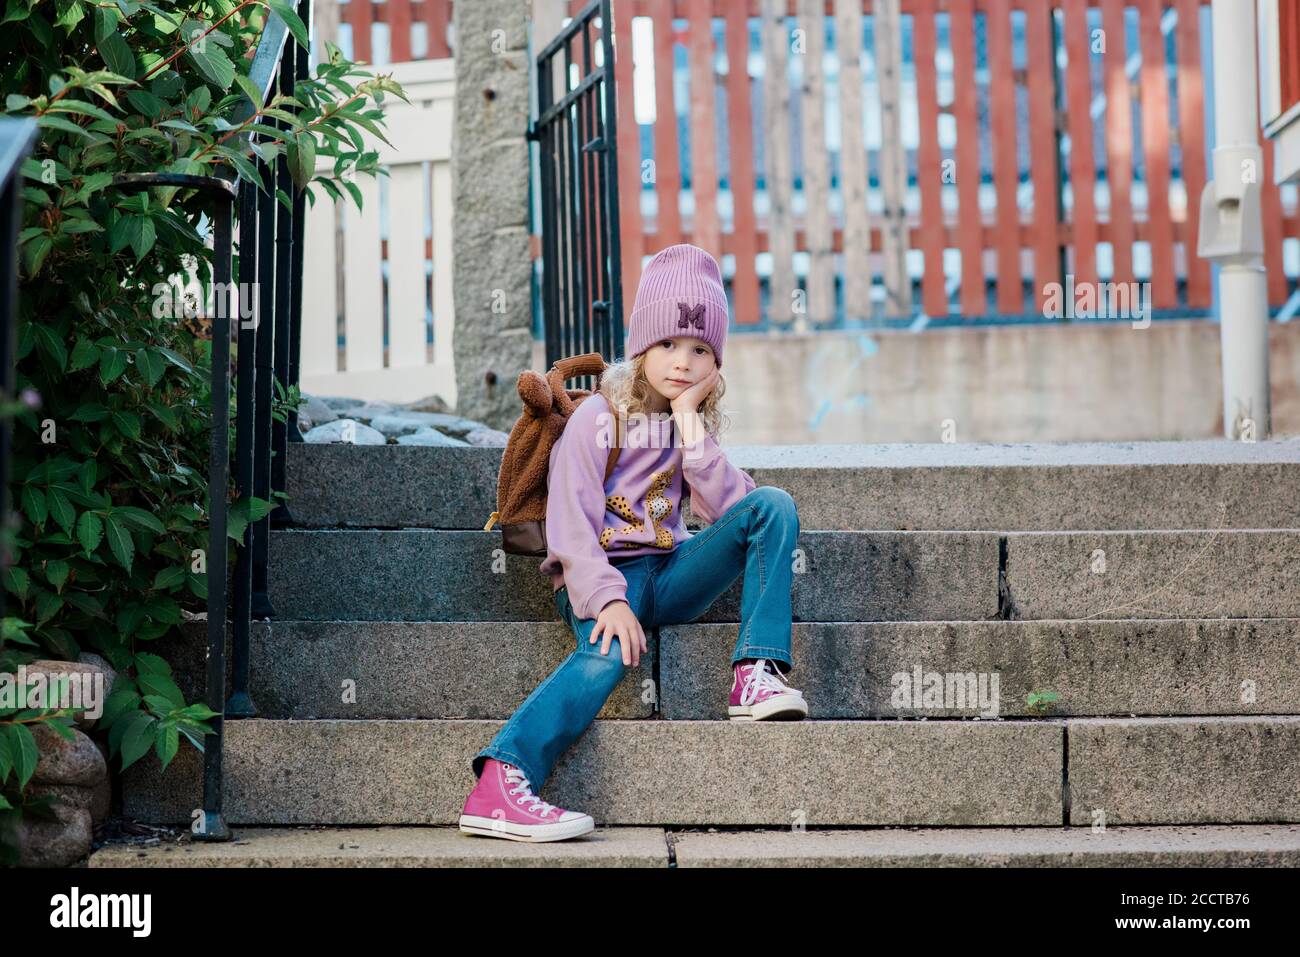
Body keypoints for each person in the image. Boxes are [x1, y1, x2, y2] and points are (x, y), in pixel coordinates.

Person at [459, 244, 805, 843]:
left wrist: (692, 423)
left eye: (701, 351)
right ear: (643, 345)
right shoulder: (599, 417)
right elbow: (569, 525)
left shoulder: (683, 424)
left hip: (669, 573)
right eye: (669, 344)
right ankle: (501, 778)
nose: (683, 362)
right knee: (604, 657)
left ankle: (755, 671)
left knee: (772, 504)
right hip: (600, 580)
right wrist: (608, 600)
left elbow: (733, 511)